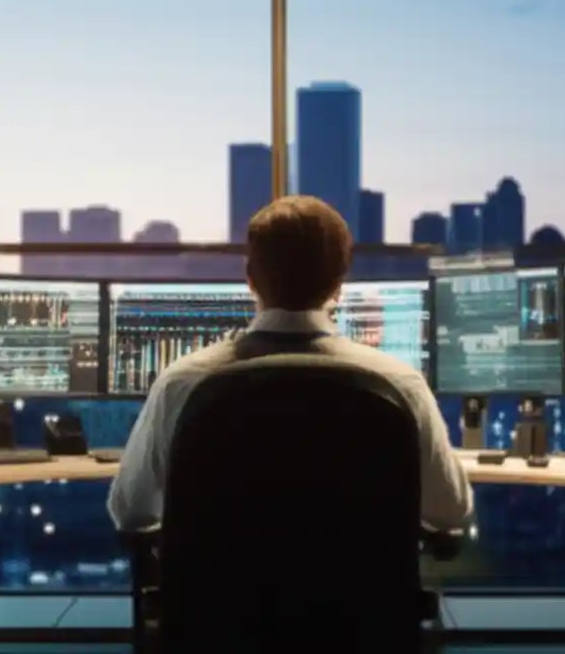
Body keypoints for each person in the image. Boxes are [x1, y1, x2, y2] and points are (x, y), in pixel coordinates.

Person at [107, 195, 473, 531]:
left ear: (251, 281)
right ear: (338, 287)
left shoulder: (182, 384)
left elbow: (131, 510)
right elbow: (450, 511)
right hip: (358, 602)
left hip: (219, 602)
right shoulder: (400, 385)